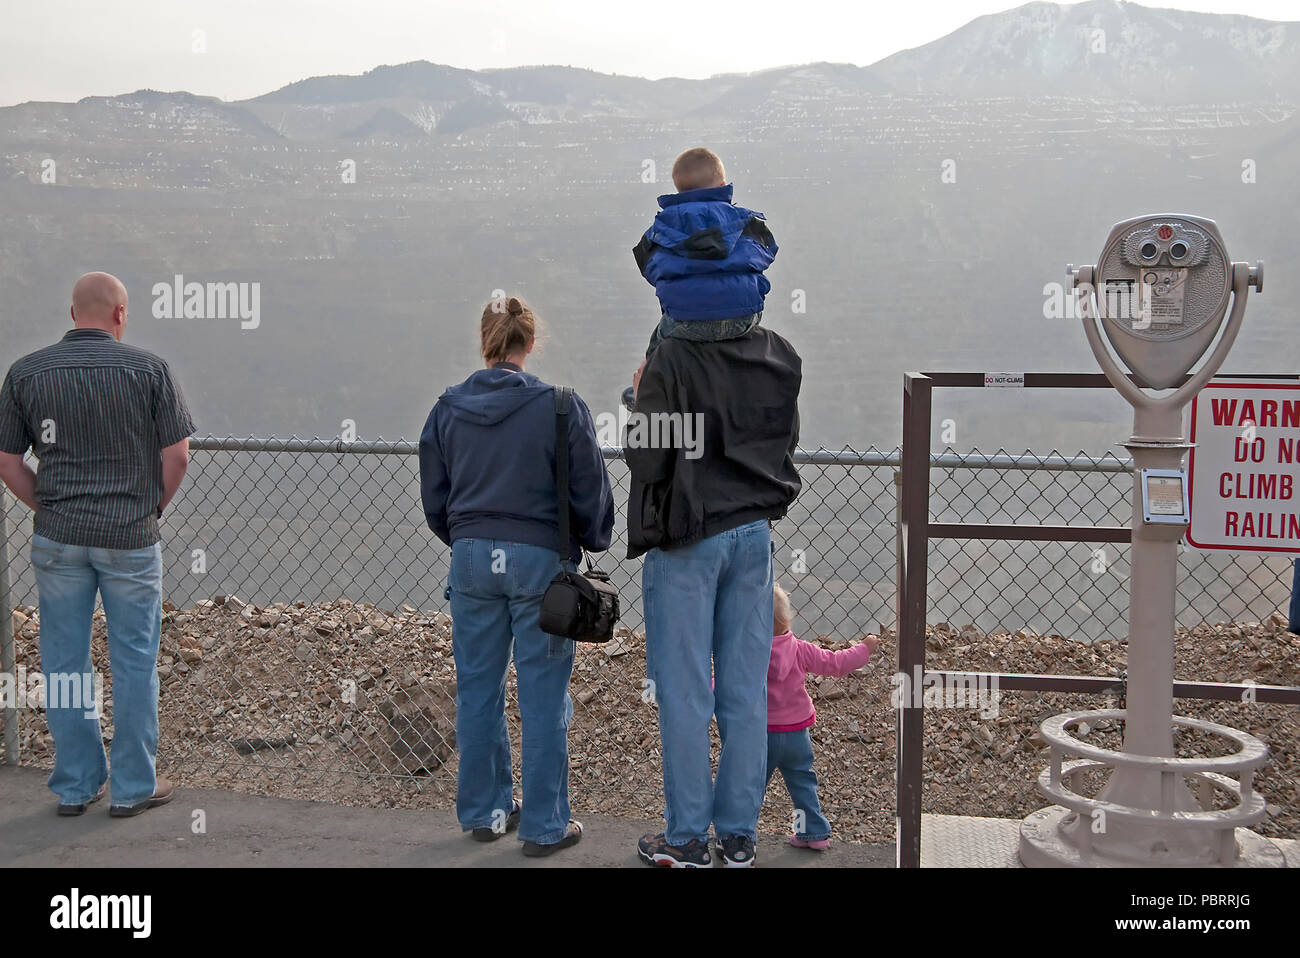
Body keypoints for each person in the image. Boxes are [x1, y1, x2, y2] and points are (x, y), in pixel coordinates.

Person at [419, 295, 615, 857]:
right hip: (539, 564)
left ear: (486, 341)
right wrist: (586, 543)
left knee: (478, 688)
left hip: (473, 558)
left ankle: (486, 813)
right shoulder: (560, 406)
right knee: (543, 694)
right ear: (530, 343)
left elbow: (437, 497)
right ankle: (545, 827)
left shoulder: (447, 408)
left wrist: (469, 540)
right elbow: (590, 492)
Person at [0, 272, 194, 817]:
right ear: (120, 315)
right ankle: (133, 788)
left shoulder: (26, 373)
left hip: (59, 539)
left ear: (71, 313)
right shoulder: (150, 371)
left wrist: (48, 509)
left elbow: (8, 462)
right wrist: (150, 508)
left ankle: (76, 787)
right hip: (129, 538)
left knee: (63, 662)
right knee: (134, 660)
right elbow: (177, 456)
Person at [627, 320, 802, 868]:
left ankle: (686, 841)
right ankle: (737, 839)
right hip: (753, 538)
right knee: (744, 692)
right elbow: (784, 440)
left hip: (687, 539)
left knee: (684, 694)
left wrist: (638, 399)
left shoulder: (671, 355)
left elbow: (647, 460)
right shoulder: (776, 353)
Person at [765, 583, 881, 850]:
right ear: (787, 619)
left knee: (752, 785)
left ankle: (741, 836)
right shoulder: (801, 649)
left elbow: (729, 681)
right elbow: (836, 664)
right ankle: (814, 833)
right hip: (796, 733)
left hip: (763, 733)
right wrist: (864, 648)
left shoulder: (751, 653)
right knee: (803, 781)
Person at [632, 147, 778, 358]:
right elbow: (767, 251)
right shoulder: (744, 221)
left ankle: (645, 384)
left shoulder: (662, 226)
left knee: (656, 348)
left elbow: (646, 264)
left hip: (686, 321)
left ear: (679, 189)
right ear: (721, 185)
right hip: (743, 318)